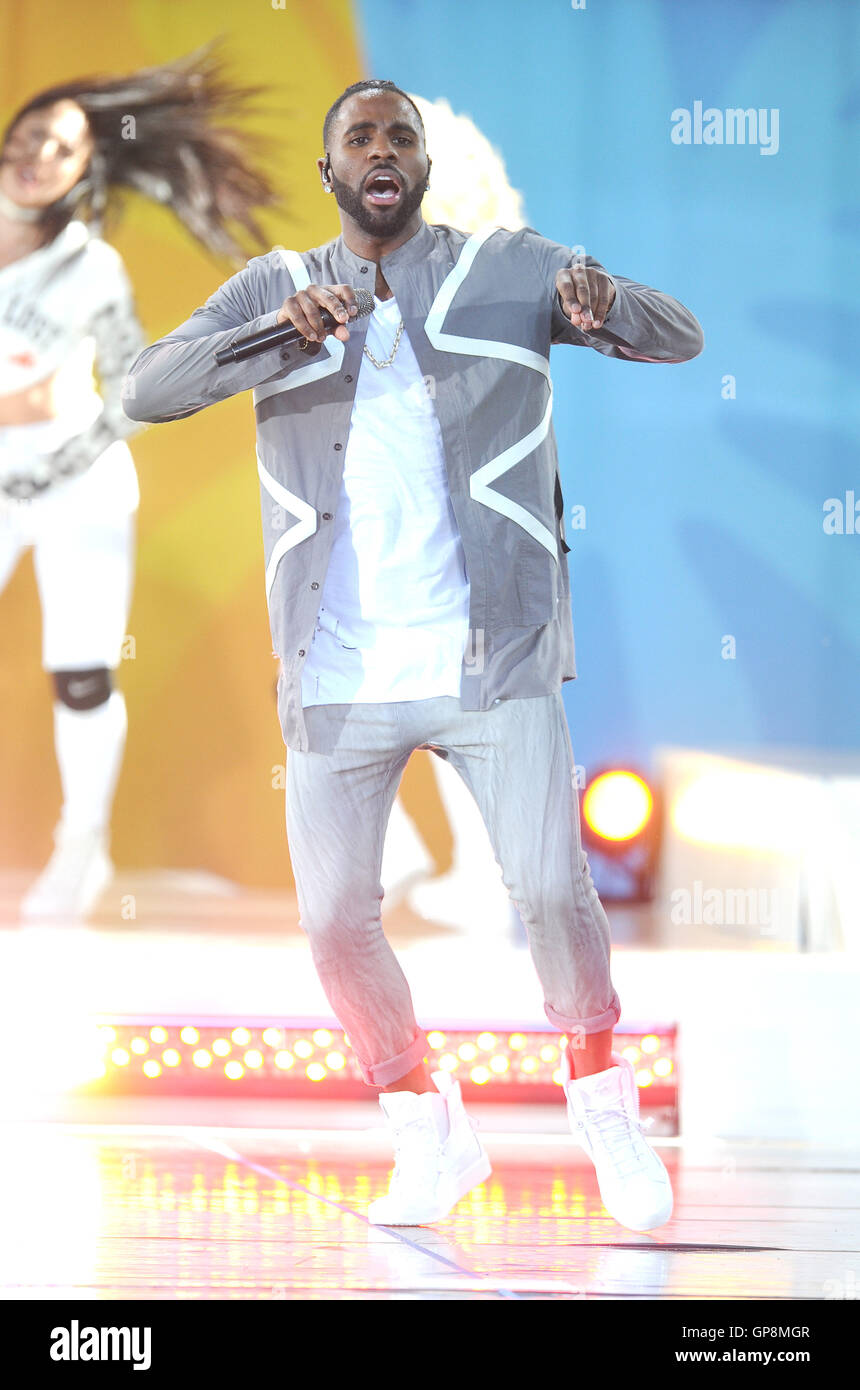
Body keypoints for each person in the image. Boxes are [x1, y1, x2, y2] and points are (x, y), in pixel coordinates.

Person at [123, 78, 704, 1232]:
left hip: (490, 656)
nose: (380, 150)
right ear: (332, 172)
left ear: (421, 170)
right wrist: (274, 335)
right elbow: (148, 388)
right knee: (335, 918)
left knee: (548, 885)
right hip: (337, 674)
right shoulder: (278, 285)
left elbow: (676, 335)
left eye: (400, 136)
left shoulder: (507, 265)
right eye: (359, 136)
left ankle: (600, 1104)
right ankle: (425, 1127)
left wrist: (603, 304)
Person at [0, 45, 277, 921]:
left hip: (78, 484)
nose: (41, 157)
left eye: (65, 150)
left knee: (80, 672)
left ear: (85, 171)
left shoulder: (91, 269)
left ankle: (81, 849)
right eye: (33, 137)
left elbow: (135, 395)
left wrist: (53, 439)